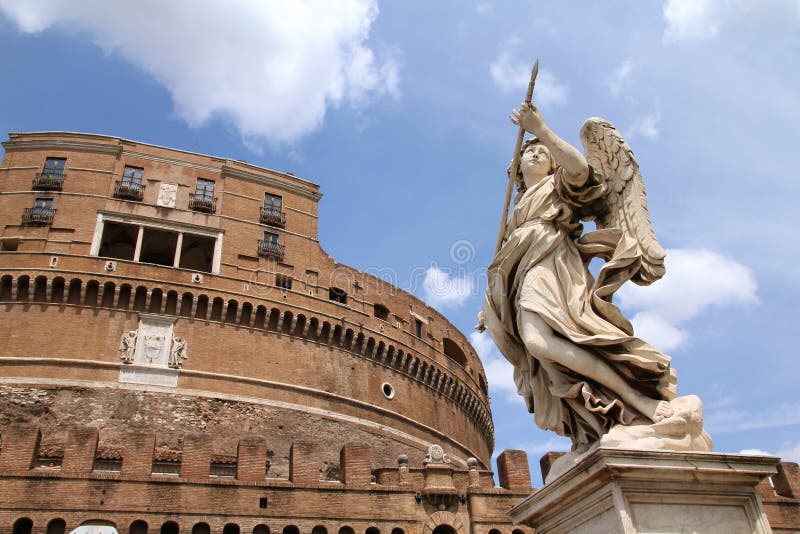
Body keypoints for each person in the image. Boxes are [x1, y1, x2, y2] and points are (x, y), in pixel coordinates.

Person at [482, 102, 677, 448]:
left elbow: (580, 169)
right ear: (515, 167)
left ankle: (641, 401)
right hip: (521, 273)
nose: (538, 154)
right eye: (531, 152)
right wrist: (495, 305)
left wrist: (540, 129)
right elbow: (506, 260)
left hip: (553, 264)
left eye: (544, 152)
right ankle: (598, 419)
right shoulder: (518, 211)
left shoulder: (558, 184)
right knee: (542, 350)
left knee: (540, 341)